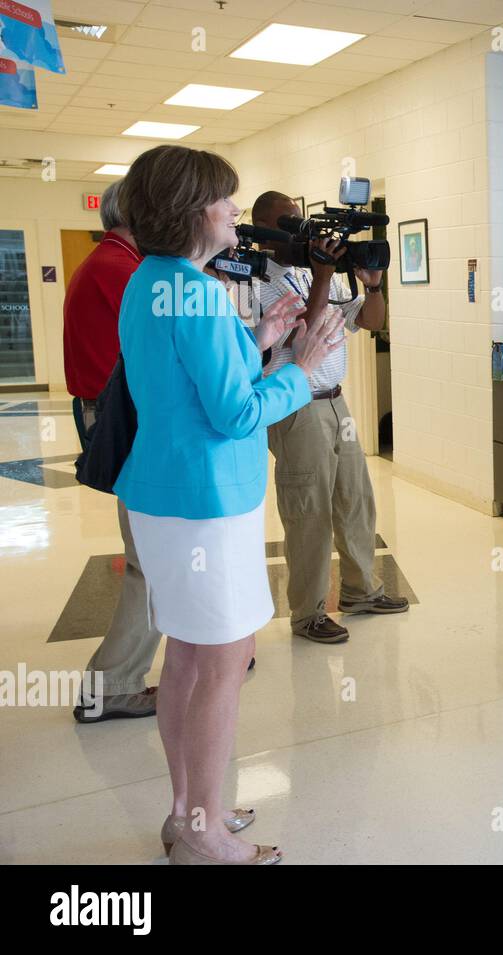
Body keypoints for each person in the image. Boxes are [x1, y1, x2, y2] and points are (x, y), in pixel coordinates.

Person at [113, 145, 341, 864]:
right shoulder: (200, 292)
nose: (236, 212)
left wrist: (259, 338)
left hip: (167, 496)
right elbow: (237, 414)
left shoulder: (153, 282)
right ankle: (205, 832)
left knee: (187, 657)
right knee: (220, 663)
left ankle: (186, 812)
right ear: (191, 211)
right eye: (225, 200)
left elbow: (185, 378)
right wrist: (300, 370)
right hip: (207, 503)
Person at [251, 191, 408, 645]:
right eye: (285, 223)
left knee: (356, 499)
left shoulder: (323, 275)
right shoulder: (259, 283)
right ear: (262, 229)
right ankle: (309, 613)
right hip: (295, 405)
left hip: (337, 401)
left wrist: (373, 283)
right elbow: (304, 338)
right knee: (309, 511)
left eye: (298, 220)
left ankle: (362, 591)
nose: (298, 230)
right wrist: (321, 275)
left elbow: (372, 322)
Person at [62, 180, 165, 723]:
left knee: (152, 558)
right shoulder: (124, 271)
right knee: (148, 563)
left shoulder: (108, 262)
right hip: (124, 421)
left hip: (110, 413)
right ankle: (113, 685)